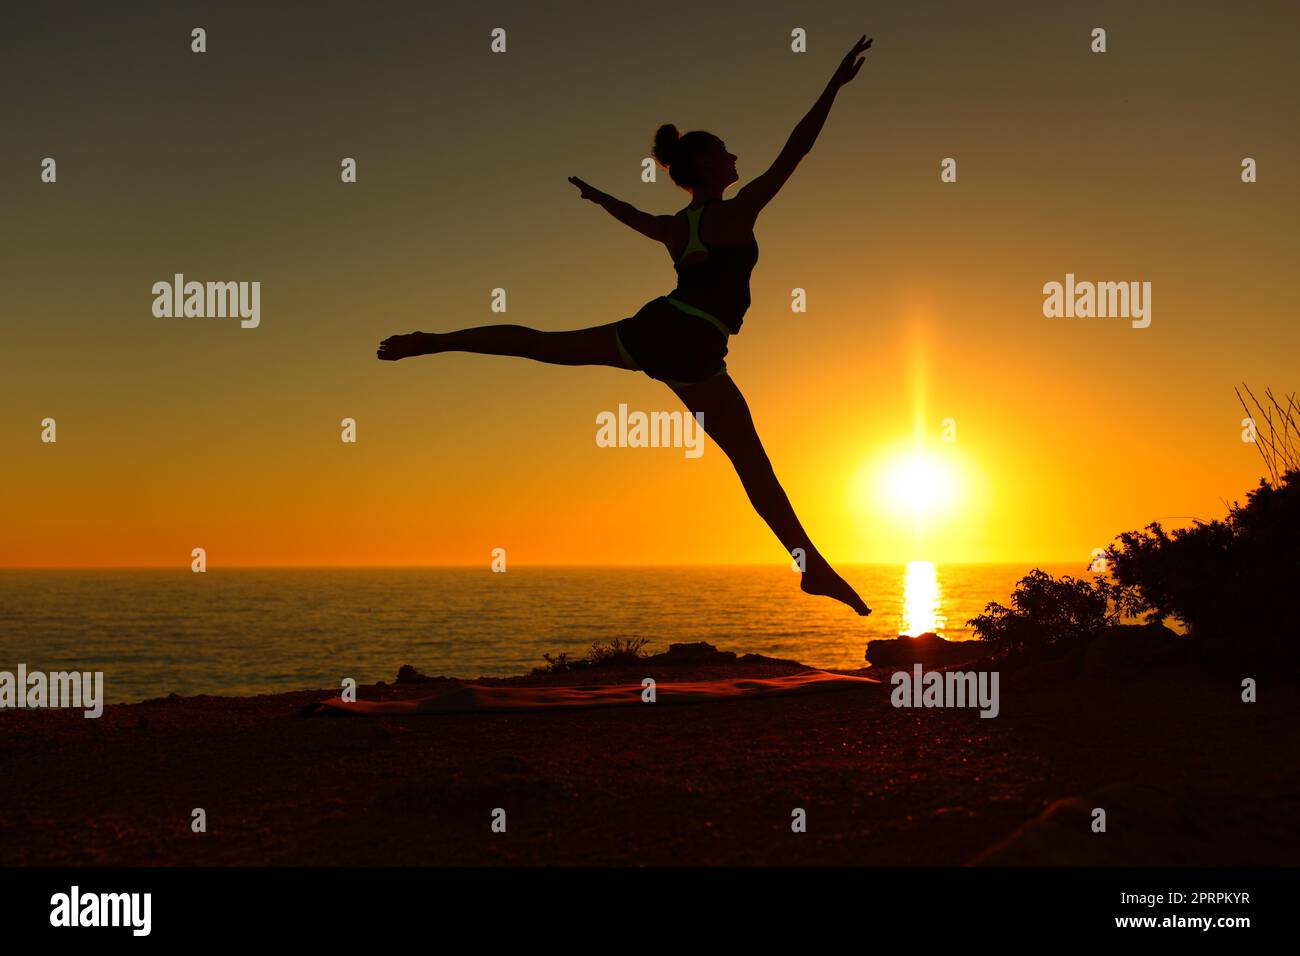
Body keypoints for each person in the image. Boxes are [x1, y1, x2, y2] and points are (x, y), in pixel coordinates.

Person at [378, 35, 874, 616]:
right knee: (752, 465)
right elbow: (797, 149)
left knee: (540, 346)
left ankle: (429, 342)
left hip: (656, 330)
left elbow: (632, 216)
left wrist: (598, 198)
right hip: (691, 343)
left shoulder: (676, 225)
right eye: (727, 150)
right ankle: (809, 566)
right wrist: (832, 87)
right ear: (709, 165)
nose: (738, 156)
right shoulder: (736, 212)